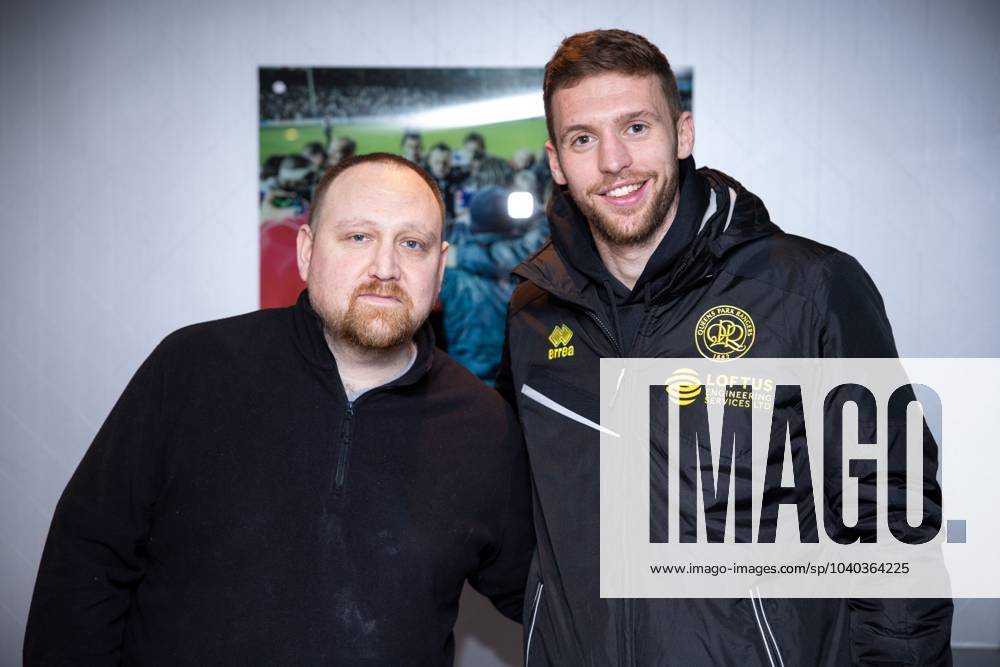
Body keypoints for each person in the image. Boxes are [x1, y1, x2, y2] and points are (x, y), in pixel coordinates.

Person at [496, 29, 952, 665]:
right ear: (555, 162)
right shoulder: (532, 315)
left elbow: (892, 519)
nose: (613, 162)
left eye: (635, 127)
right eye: (583, 139)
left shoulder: (810, 290)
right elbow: (517, 512)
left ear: (682, 134)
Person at [25, 153, 534, 665]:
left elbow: (551, 599)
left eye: (412, 244)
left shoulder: (484, 424)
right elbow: (86, 559)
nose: (385, 267)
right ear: (307, 251)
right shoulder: (193, 368)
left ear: (440, 265)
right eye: (358, 237)